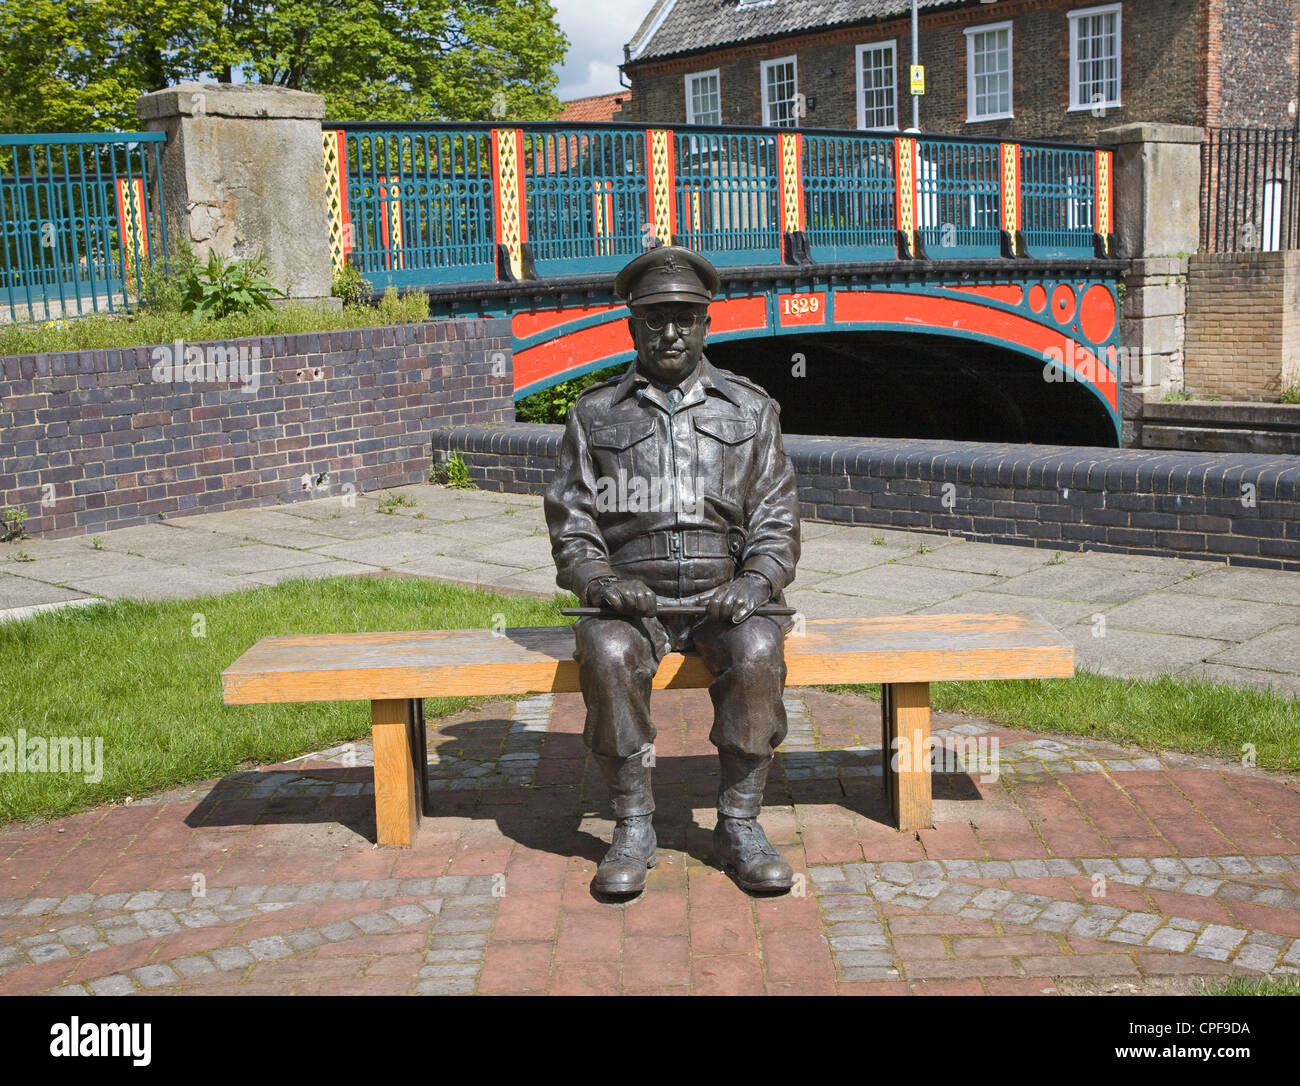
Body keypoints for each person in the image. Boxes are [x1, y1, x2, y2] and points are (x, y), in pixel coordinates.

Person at [543, 245, 801, 896]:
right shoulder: (593, 414)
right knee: (603, 649)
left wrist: (756, 582)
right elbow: (572, 522)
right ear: (631, 326)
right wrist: (600, 583)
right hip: (635, 602)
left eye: (685, 317)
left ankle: (739, 822)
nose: (670, 333)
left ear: (707, 324)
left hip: (726, 598)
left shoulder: (751, 410)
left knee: (762, 646)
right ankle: (632, 824)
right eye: (654, 319)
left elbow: (776, 517)